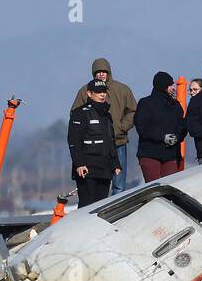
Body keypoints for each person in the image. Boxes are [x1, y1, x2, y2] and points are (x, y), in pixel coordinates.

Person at [71, 58, 136, 194]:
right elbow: (75, 114)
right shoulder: (85, 91)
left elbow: (133, 111)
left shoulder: (122, 89)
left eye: (104, 71)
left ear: (109, 72)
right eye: (98, 72)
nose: (101, 74)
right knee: (98, 184)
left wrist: (121, 127)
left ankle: (117, 212)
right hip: (94, 148)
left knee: (118, 184)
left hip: (118, 142)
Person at [68, 82, 121, 207]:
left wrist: (116, 164)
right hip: (87, 169)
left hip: (104, 168)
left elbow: (111, 141)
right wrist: (79, 164)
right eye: (98, 91)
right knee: (87, 206)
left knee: (100, 207)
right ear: (89, 93)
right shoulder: (79, 113)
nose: (102, 94)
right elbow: (74, 141)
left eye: (104, 91)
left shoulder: (106, 115)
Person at [134, 72, 186, 182]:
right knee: (154, 187)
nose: (173, 88)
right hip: (150, 153)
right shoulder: (145, 103)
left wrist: (177, 136)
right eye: (170, 85)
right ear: (163, 86)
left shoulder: (175, 105)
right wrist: (163, 137)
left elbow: (182, 125)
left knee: (170, 186)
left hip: (171, 154)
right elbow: (142, 127)